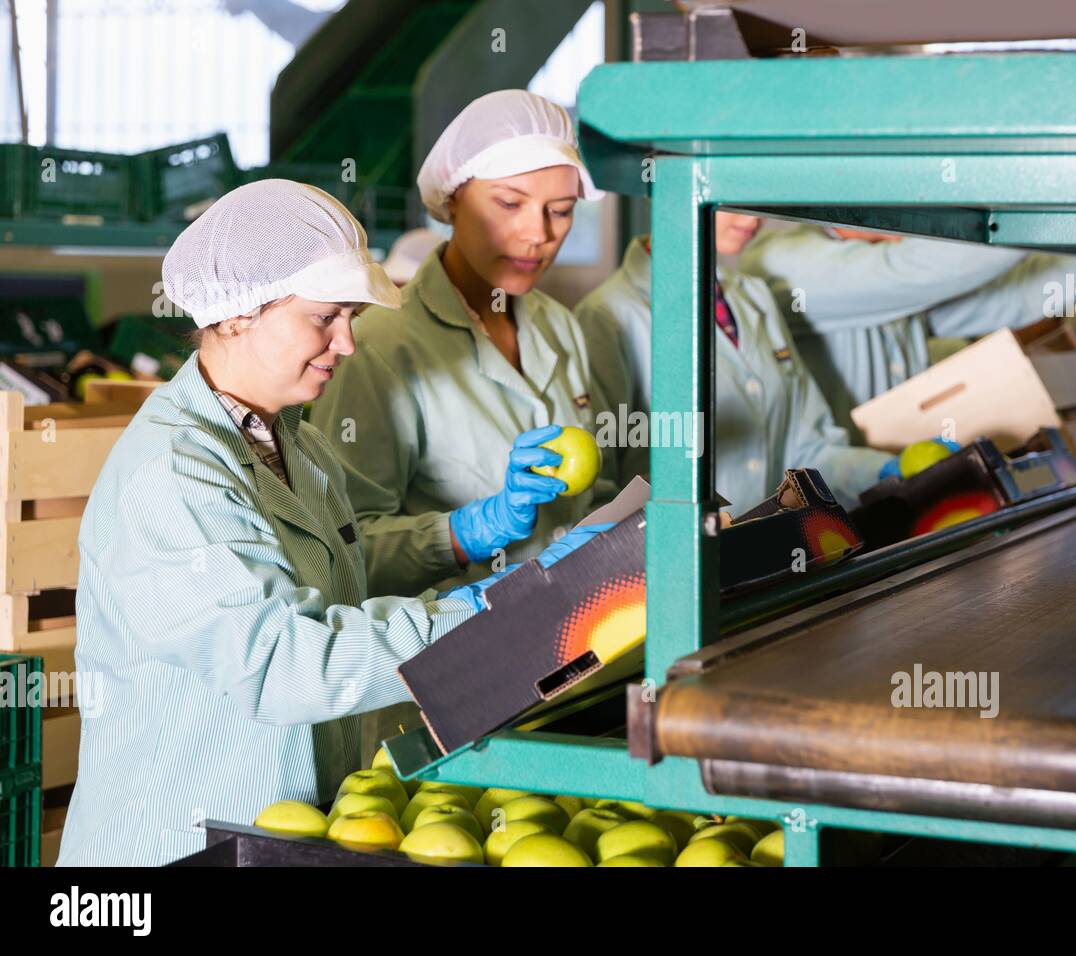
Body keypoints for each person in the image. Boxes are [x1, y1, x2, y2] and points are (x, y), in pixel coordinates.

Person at [57, 180, 583, 866]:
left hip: (290, 831)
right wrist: (487, 616)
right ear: (238, 314)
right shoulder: (171, 474)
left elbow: (332, 577)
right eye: (325, 318)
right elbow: (285, 663)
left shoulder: (292, 441)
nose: (349, 344)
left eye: (352, 319)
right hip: (179, 846)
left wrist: (466, 533)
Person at [311, 90, 617, 597]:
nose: (537, 233)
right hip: (454, 649)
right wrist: (472, 531)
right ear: (452, 200)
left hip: (579, 625)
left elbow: (589, 499)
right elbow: (343, 555)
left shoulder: (561, 327)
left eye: (559, 211)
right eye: (509, 203)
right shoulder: (379, 346)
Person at [575, 213, 892, 516]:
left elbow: (810, 450)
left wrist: (886, 471)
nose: (751, 219)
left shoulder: (754, 295)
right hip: (668, 565)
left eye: (755, 201)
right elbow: (602, 493)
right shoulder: (607, 315)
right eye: (729, 200)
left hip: (766, 554)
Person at [739, 224, 1076, 435]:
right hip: (835, 501)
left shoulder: (889, 271)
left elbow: (1019, 298)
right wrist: (1034, 202)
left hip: (901, 484)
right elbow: (923, 271)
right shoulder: (784, 261)